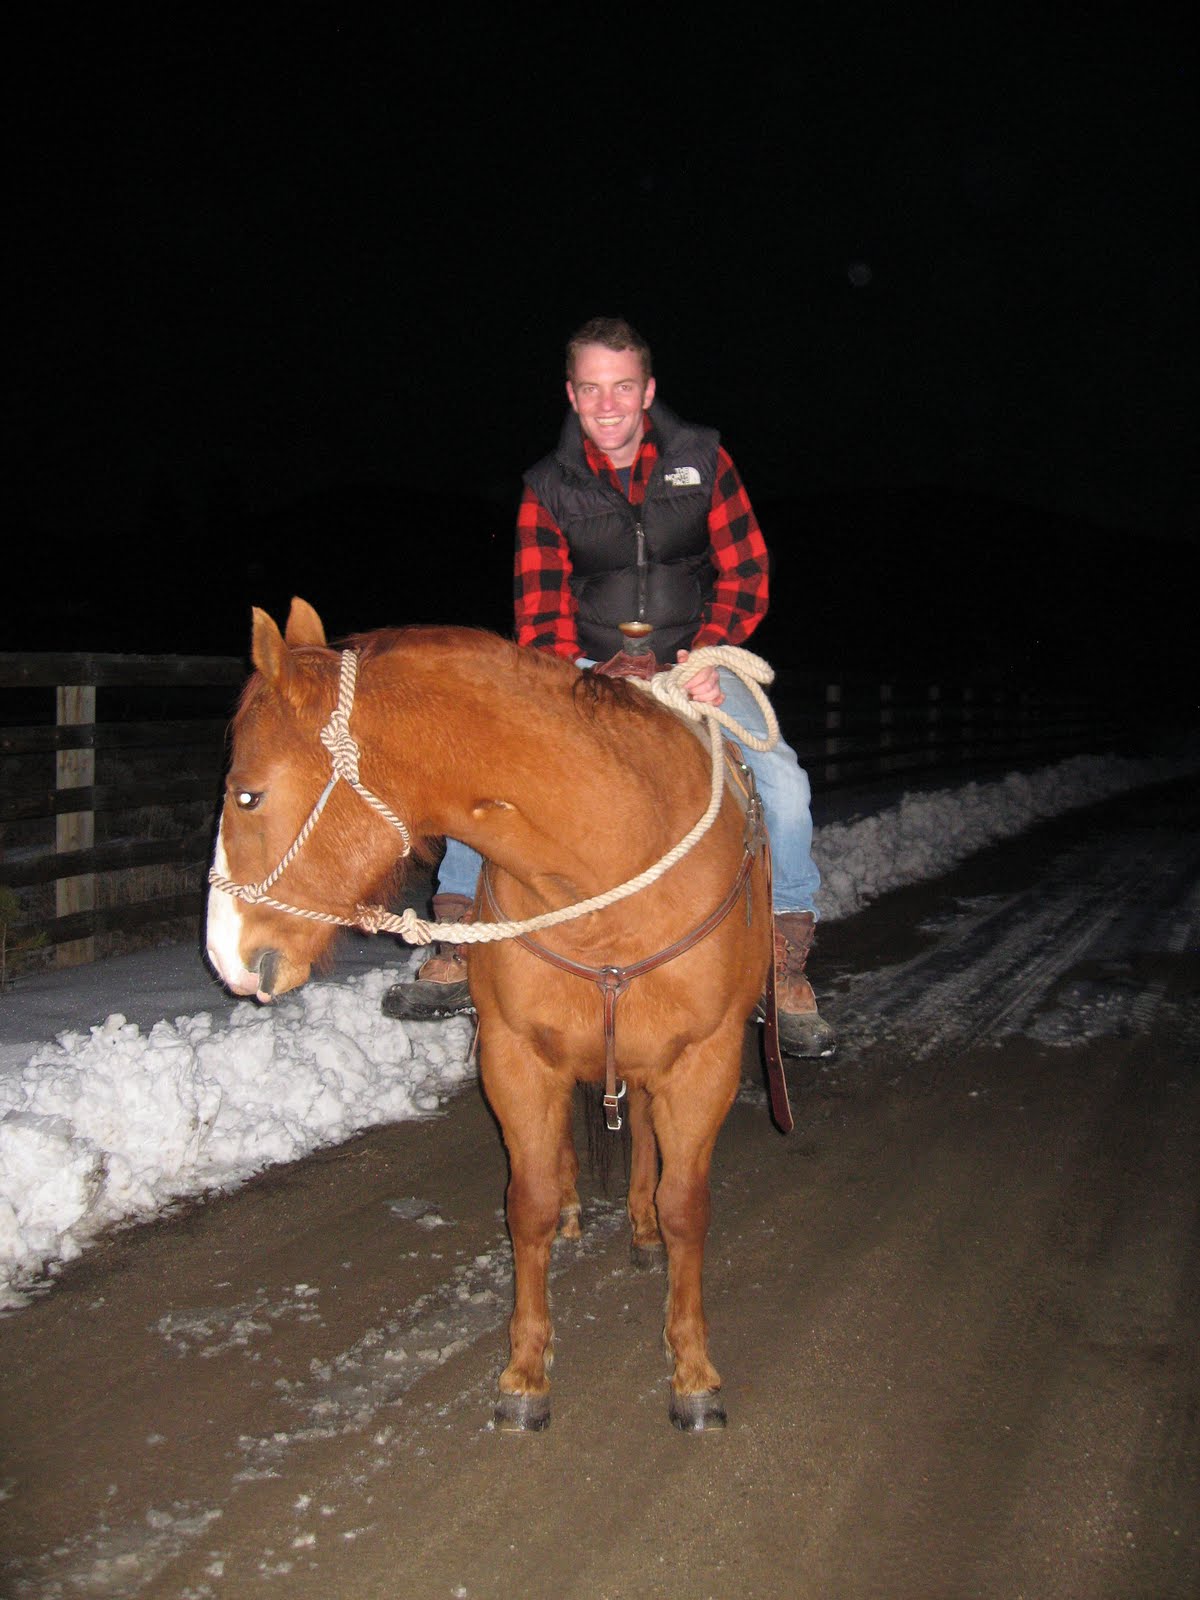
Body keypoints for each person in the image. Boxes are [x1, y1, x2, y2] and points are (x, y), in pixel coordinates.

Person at [383, 317, 835, 1058]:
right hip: (587, 665)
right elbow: (539, 607)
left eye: (623, 387)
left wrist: (705, 654)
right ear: (571, 394)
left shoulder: (704, 460)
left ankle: (784, 957)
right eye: (591, 389)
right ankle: (460, 941)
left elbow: (747, 569)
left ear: (648, 390)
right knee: (496, 767)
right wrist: (575, 675)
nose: (608, 405)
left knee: (783, 781)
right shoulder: (547, 486)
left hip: (696, 658)